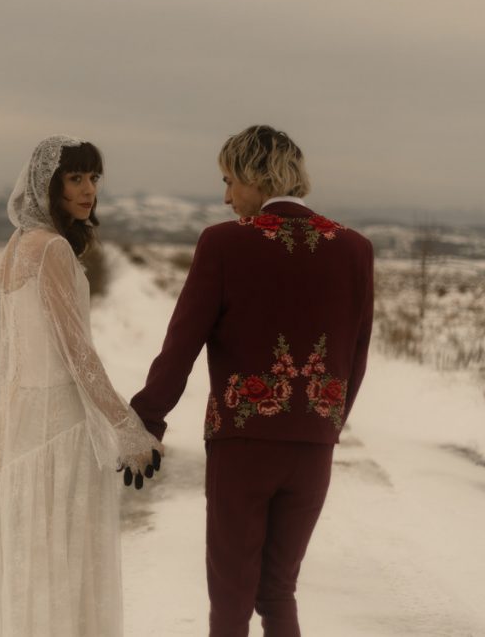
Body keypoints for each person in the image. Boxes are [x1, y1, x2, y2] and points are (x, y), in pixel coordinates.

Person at [130, 125, 374, 637]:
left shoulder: (224, 244)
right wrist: (325, 424)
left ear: (256, 176)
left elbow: (183, 343)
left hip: (242, 444)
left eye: (229, 180)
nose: (225, 197)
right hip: (313, 448)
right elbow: (357, 352)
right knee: (278, 590)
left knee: (232, 599)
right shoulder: (354, 249)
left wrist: (148, 418)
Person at [0, 134, 162, 637]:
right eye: (75, 177)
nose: (89, 188)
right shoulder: (49, 248)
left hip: (19, 425)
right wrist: (126, 426)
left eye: (93, 177)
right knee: (56, 571)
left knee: (26, 572)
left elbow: (9, 355)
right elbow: (77, 353)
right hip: (56, 430)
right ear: (47, 185)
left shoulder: (16, 247)